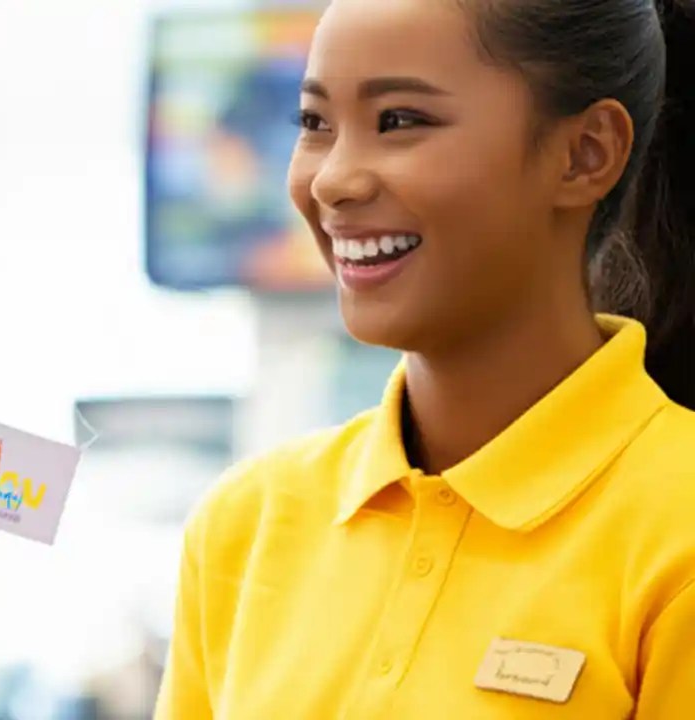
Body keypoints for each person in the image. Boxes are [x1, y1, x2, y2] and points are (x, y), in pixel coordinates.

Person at [157, 0, 695, 717]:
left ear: (586, 152)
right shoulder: (244, 524)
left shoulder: (676, 529)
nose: (331, 180)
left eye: (400, 121)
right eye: (314, 123)